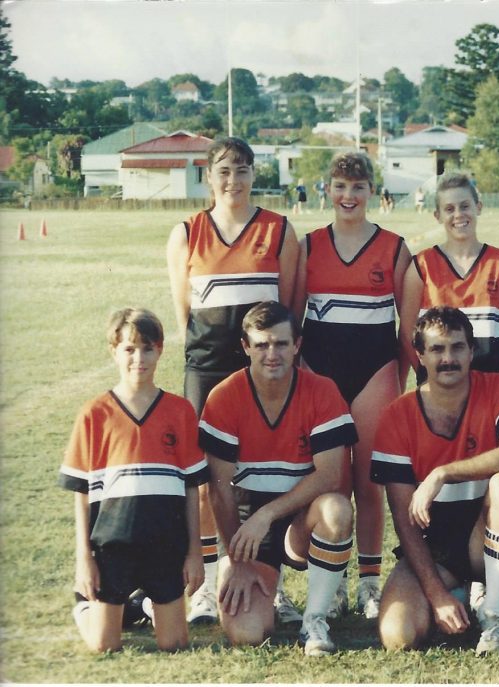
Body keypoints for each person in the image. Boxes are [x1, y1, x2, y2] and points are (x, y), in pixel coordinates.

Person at [166, 136, 299, 625]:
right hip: (207, 365)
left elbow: (290, 303)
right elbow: (185, 314)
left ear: (253, 173)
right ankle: (202, 583)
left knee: (264, 472)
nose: (233, 180)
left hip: (262, 366)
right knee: (204, 478)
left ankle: (270, 580)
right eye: (223, 171)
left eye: (242, 170)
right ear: (208, 176)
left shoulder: (279, 230)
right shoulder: (186, 233)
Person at [371, 307, 499, 655]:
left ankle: (494, 618)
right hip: (437, 547)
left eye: (457, 348)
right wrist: (437, 595)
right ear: (419, 356)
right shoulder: (397, 415)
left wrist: (444, 472)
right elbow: (405, 521)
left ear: (472, 351)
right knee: (398, 636)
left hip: (487, 531)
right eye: (437, 349)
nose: (448, 359)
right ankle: (464, 593)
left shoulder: (498, 388)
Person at [200, 301, 358, 656]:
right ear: (245, 347)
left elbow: (331, 475)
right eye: (261, 345)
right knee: (249, 633)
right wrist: (238, 562)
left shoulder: (322, 391)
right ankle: (251, 581)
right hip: (248, 524)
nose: (272, 354)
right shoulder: (225, 397)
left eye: (281, 344)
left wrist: (268, 514)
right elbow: (219, 491)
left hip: (299, 515)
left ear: (297, 344)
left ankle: (314, 620)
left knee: (335, 509)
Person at [293, 151, 412, 620]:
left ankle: (368, 581)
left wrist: (397, 376)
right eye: (341, 186)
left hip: (375, 370)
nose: (349, 196)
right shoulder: (309, 245)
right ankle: (334, 578)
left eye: (358, 187)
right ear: (328, 189)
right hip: (320, 372)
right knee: (332, 482)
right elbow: (294, 317)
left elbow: (408, 325)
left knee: (369, 481)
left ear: (371, 192)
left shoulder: (395, 247)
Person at [60, 308, 208, 652]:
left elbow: (191, 488)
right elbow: (81, 493)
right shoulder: (94, 413)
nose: (138, 358)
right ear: (114, 351)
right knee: (103, 645)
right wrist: (84, 557)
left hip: (165, 545)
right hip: (113, 545)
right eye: (128, 349)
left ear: (160, 350)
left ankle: (141, 603)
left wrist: (194, 552)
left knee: (174, 644)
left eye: (147, 348)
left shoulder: (179, 411)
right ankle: (86, 605)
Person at [399, 170, 499, 383]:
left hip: (487, 383)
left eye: (465, 206)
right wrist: (426, 373)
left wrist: (498, 368)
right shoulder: (421, 266)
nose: (458, 214)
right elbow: (406, 331)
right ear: (437, 216)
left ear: (479, 207)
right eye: (449, 209)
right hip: (438, 387)